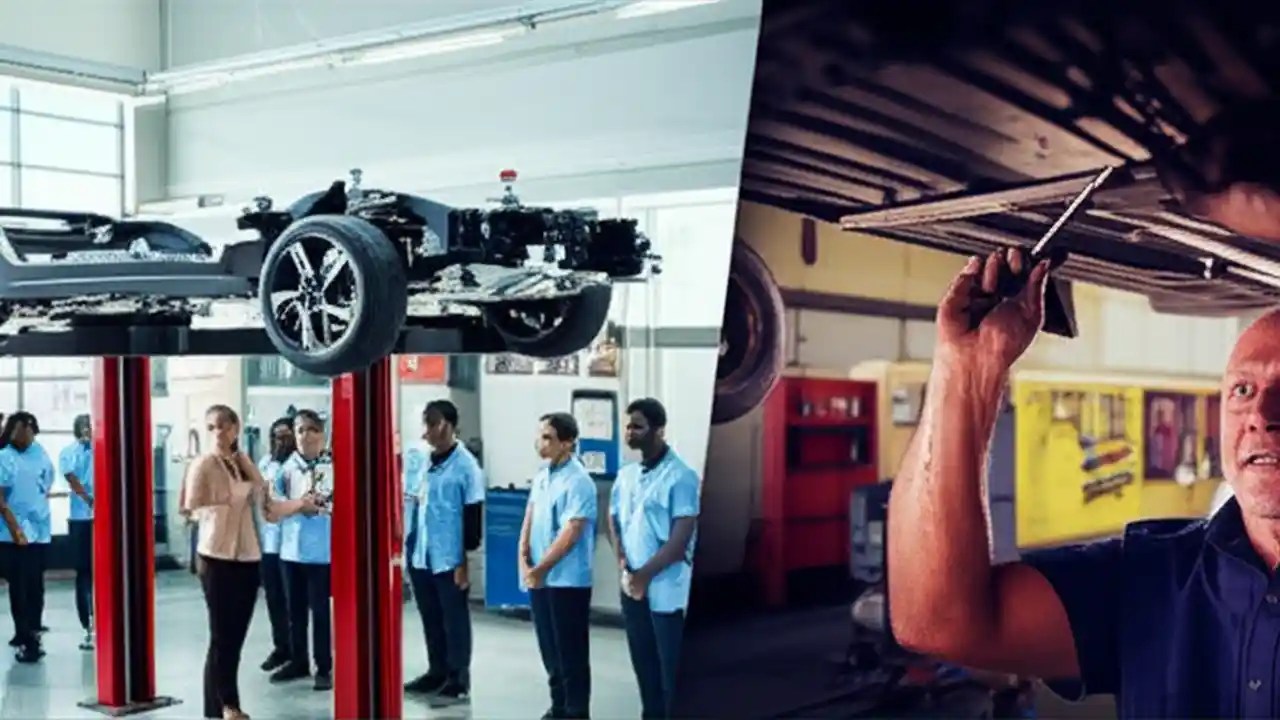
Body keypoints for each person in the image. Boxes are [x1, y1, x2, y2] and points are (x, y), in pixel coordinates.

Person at [887, 248, 1280, 719]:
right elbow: (934, 619)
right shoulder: (1150, 580)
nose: (1261, 415)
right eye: (1243, 390)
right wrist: (969, 369)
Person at [183, 404, 319, 720]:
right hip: (216, 557)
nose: (218, 433)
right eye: (212, 427)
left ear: (235, 428)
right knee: (221, 635)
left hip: (247, 557)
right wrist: (224, 505)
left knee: (233, 639)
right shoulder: (203, 465)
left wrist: (300, 504)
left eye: (223, 426)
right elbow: (190, 511)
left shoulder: (244, 463)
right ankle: (228, 705)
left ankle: (216, 709)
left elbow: (268, 509)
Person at [609, 398, 701, 720]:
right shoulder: (627, 475)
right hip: (632, 585)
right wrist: (623, 562)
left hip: (665, 587)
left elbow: (680, 540)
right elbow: (614, 519)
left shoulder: (681, 477)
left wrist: (644, 576)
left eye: (637, 426)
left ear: (659, 431)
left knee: (669, 669)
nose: (630, 432)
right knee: (643, 664)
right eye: (628, 425)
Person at [403, 399, 485, 705]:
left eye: (432, 424)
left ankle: (458, 677)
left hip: (450, 558)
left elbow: (472, 519)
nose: (426, 431)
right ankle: (436, 671)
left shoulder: (466, 467)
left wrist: (466, 561)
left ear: (447, 426)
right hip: (422, 552)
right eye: (424, 423)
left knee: (454, 619)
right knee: (430, 617)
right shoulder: (423, 460)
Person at [520, 412, 598, 720]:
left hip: (567, 581)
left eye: (549, 437)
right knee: (550, 650)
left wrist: (540, 568)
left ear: (567, 443)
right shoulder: (542, 476)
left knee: (571, 652)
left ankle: (577, 711)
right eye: (541, 436)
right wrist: (523, 557)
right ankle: (559, 706)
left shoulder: (579, 482)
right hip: (540, 579)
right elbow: (530, 517)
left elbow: (571, 532)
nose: (541, 442)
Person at [270, 409, 334, 691]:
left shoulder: (333, 467)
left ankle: (324, 666)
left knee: (320, 611)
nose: (305, 436)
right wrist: (300, 505)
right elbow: (274, 509)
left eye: (311, 430)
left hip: (322, 552)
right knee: (294, 611)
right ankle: (298, 661)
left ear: (322, 434)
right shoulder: (286, 470)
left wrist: (306, 506)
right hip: (290, 550)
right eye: (300, 431)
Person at [0, 412, 54, 664]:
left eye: (26, 430)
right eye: (17, 430)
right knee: (20, 588)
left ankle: (32, 630)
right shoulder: (4, 458)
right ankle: (26, 638)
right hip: (13, 536)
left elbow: (46, 483)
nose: (22, 435)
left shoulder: (40, 454)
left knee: (36, 587)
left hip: (39, 532)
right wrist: (15, 529)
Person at [256, 417, 295, 673]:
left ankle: (299, 654)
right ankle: (282, 648)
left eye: (285, 436)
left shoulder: (300, 464)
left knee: (295, 602)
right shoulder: (265, 464)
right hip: (270, 542)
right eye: (276, 437)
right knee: (274, 599)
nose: (280, 441)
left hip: (293, 544)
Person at [59, 414, 95, 651]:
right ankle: (88, 627)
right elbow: (70, 478)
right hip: (81, 518)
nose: (87, 430)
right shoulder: (68, 452)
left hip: (105, 519)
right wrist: (88, 499)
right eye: (84, 426)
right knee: (84, 573)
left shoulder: (103, 450)